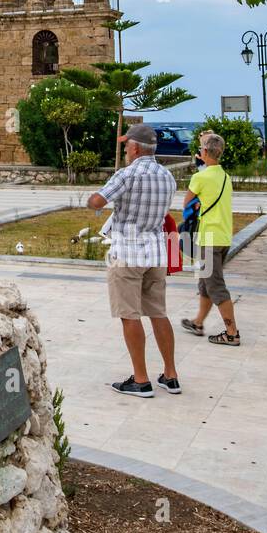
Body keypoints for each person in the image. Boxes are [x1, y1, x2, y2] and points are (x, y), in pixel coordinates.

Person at [87, 123, 180, 397]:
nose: (125, 149)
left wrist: (92, 200)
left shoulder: (126, 175)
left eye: (126, 145)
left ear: (136, 148)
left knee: (130, 315)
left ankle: (141, 380)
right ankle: (170, 375)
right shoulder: (167, 176)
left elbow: (97, 201)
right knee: (158, 313)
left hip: (127, 253)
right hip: (156, 251)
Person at [181, 132, 239, 345]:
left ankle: (232, 333)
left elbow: (186, 203)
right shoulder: (224, 176)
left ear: (204, 152)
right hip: (223, 236)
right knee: (206, 283)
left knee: (215, 286)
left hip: (209, 238)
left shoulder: (200, 177)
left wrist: (196, 204)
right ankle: (198, 322)